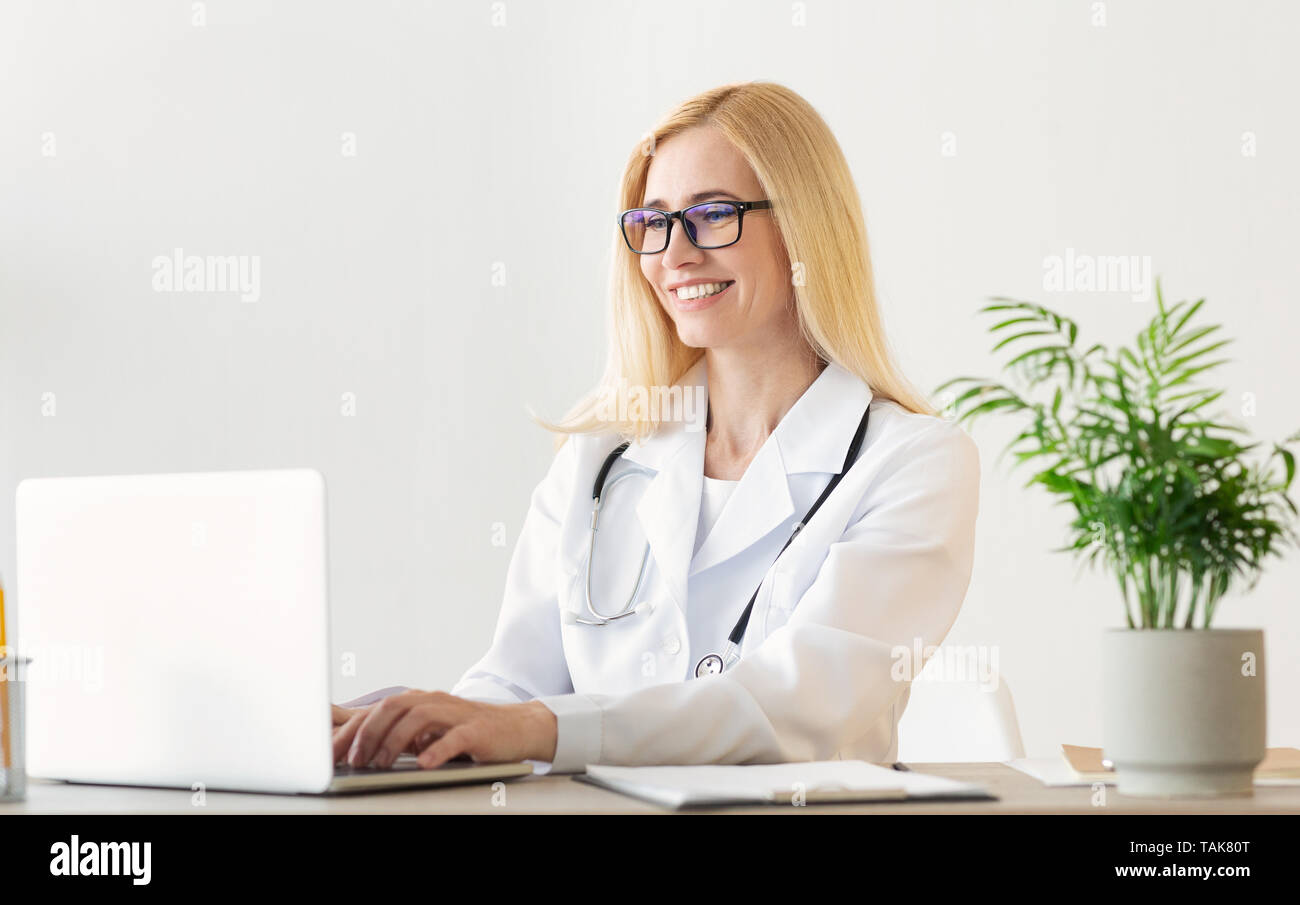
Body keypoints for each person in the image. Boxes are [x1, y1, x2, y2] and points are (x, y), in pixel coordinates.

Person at [331, 81, 980, 774]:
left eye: (712, 214)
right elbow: (514, 686)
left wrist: (539, 726)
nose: (675, 253)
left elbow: (790, 709)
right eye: (653, 221)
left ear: (805, 228)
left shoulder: (915, 463)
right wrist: (408, 730)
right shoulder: (599, 459)